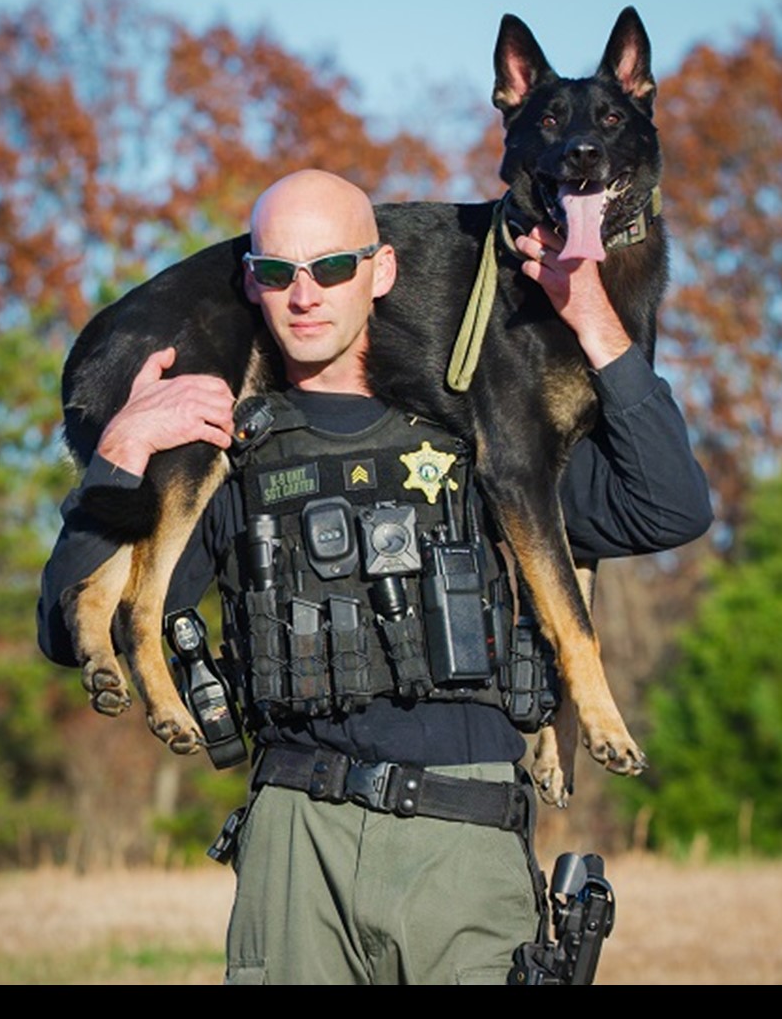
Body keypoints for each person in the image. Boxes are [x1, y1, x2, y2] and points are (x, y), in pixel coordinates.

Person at [38, 169, 710, 984]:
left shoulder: (481, 437)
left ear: (383, 271)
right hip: (296, 849)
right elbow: (67, 634)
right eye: (278, 272)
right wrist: (119, 453)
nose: (305, 296)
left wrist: (598, 323)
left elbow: (669, 508)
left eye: (331, 268)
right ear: (251, 284)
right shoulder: (231, 457)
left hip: (463, 840)